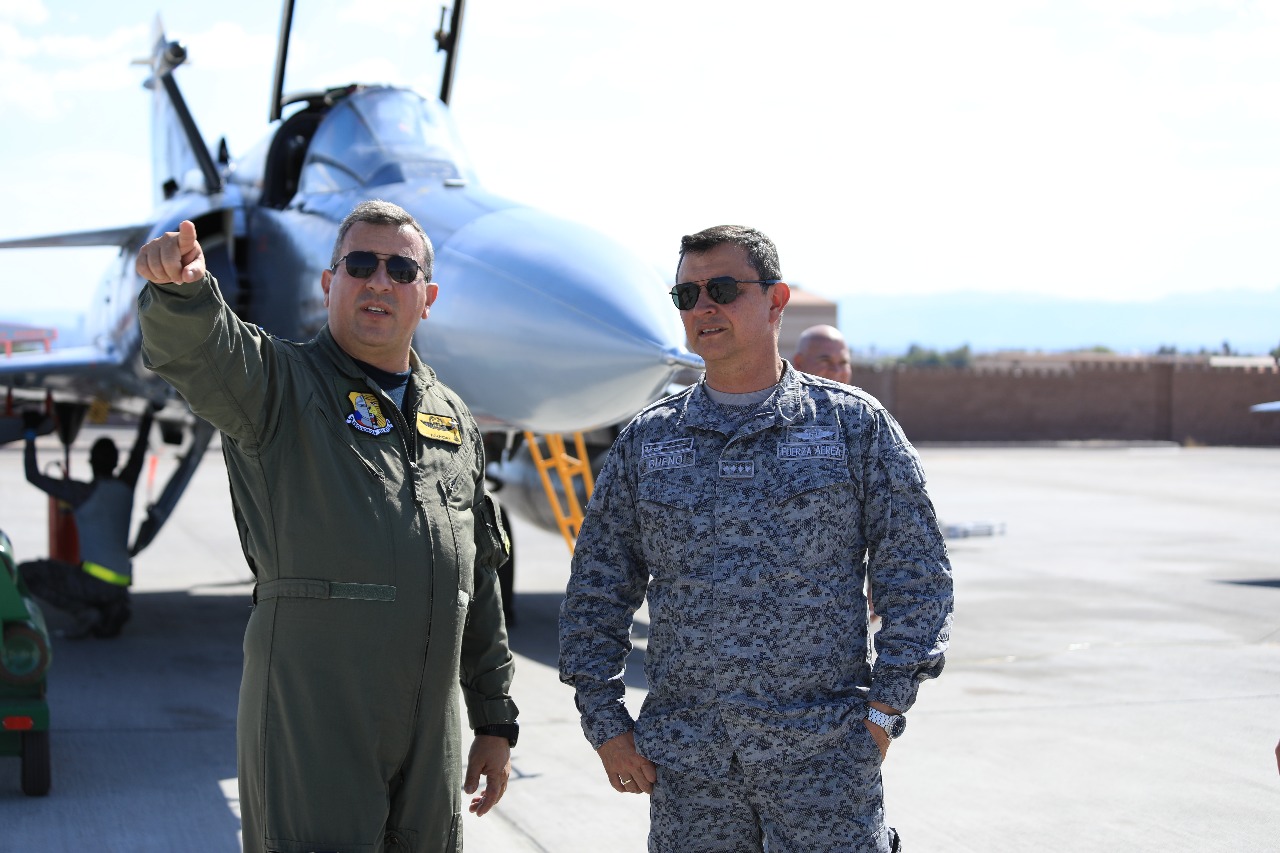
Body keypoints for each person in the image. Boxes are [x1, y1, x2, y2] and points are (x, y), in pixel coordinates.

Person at [134, 201, 519, 853]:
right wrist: (182, 293)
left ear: (425, 297)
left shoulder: (453, 420)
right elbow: (205, 352)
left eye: (401, 269)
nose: (379, 281)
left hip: (432, 739)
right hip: (313, 723)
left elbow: (475, 582)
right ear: (328, 282)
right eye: (360, 263)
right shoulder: (277, 385)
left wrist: (494, 720)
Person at [559, 225, 954, 853]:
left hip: (823, 766)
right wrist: (606, 726)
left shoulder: (854, 428)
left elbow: (919, 579)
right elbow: (595, 596)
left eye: (721, 288)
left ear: (776, 300)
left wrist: (883, 716)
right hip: (691, 775)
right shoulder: (649, 442)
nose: (702, 308)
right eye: (686, 295)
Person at [18, 406, 154, 639]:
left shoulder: (82, 493)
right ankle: (110, 608)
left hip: (92, 582)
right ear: (116, 462)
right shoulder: (126, 485)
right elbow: (139, 451)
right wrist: (148, 415)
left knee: (26, 573)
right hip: (121, 586)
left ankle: (84, 612)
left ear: (90, 462)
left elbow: (33, 475)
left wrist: (30, 432)